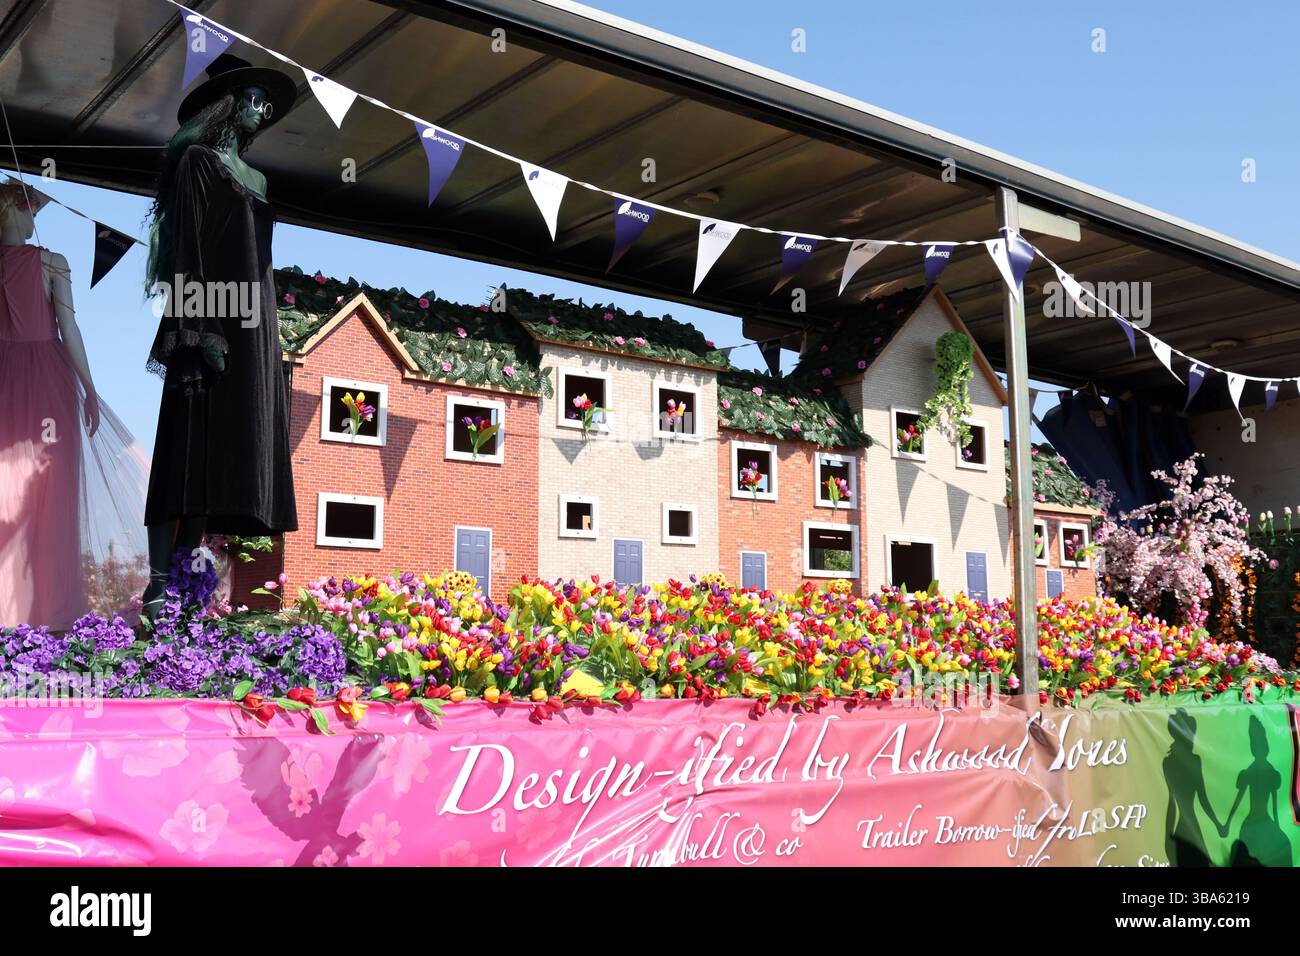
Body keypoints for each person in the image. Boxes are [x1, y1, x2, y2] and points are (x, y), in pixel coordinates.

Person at [141, 54, 299, 619]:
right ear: (230, 105)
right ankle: (158, 589)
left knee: (218, 465)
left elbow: (262, 263)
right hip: (206, 319)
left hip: (253, 329)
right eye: (254, 98)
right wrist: (197, 330)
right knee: (183, 456)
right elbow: (188, 247)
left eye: (268, 103)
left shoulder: (257, 179)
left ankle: (187, 592)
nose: (265, 109)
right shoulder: (199, 163)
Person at [0, 180, 148, 629]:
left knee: (9, 494)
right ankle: (46, 618)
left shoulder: (45, 261)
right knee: (51, 496)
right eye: (31, 211)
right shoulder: (51, 262)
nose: (34, 220)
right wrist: (88, 387)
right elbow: (70, 331)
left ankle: (12, 617)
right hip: (48, 378)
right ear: (15, 211)